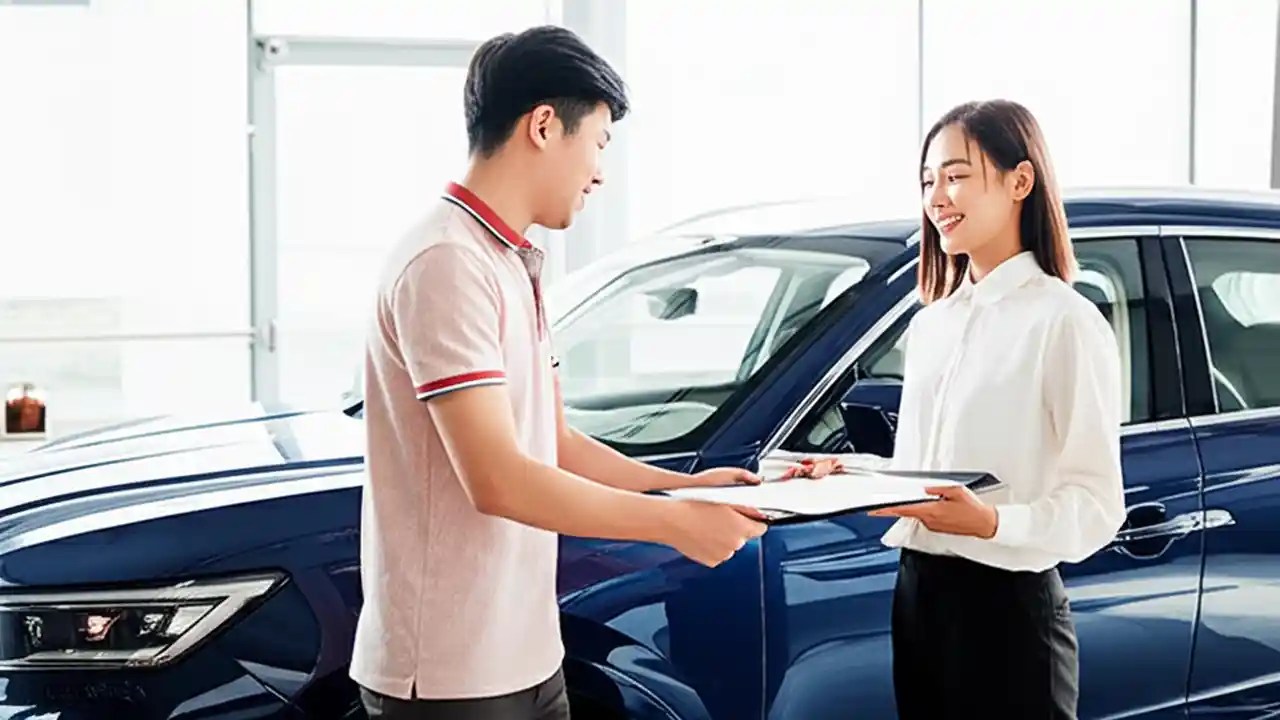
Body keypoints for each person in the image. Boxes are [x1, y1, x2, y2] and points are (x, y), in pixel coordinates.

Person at [351, 25, 767, 720]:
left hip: (524, 653)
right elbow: (498, 479)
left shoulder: (510, 258)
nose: (600, 171)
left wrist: (682, 487)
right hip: (454, 676)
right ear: (545, 125)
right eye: (599, 142)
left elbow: (555, 445)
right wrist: (673, 526)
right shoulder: (447, 262)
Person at [790, 99, 1126, 718]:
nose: (936, 197)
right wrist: (851, 475)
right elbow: (928, 472)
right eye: (927, 181)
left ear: (1020, 181)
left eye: (955, 175)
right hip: (919, 596)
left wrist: (992, 524)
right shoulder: (933, 324)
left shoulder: (1065, 321)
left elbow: (1098, 506)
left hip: (1010, 609)